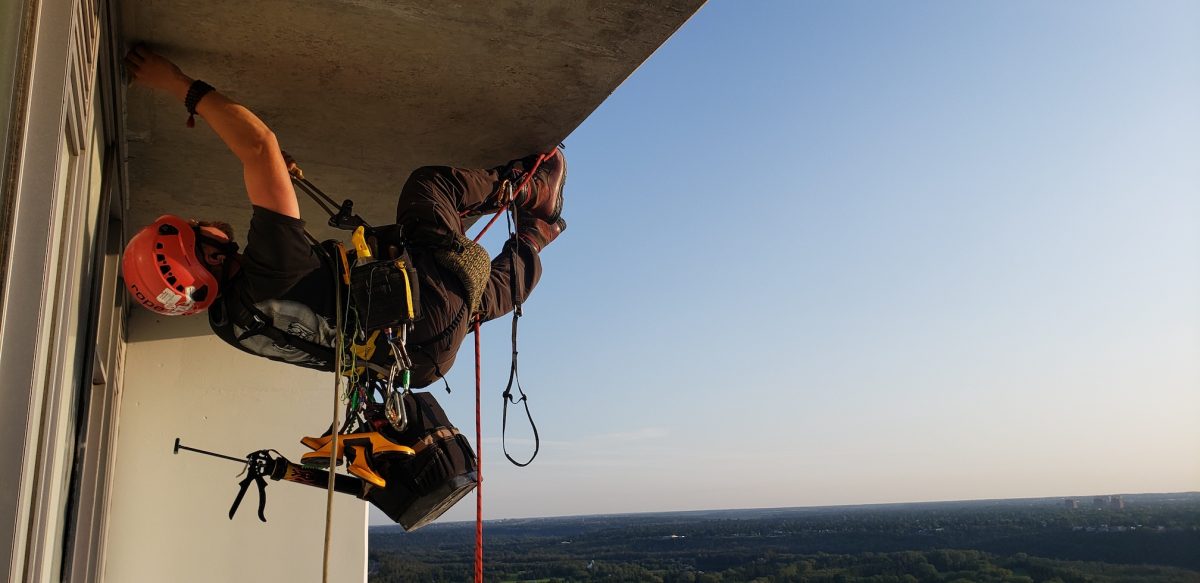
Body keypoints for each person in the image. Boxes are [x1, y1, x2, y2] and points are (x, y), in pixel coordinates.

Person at [120, 47, 565, 454]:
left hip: (414, 361)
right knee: (428, 190)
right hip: (419, 311)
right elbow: (259, 147)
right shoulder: (267, 269)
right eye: (197, 230)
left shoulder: (228, 321)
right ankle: (532, 187)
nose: (202, 223)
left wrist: (278, 174)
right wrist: (178, 82)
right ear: (211, 259)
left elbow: (303, 295)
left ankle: (536, 236)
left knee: (468, 300)